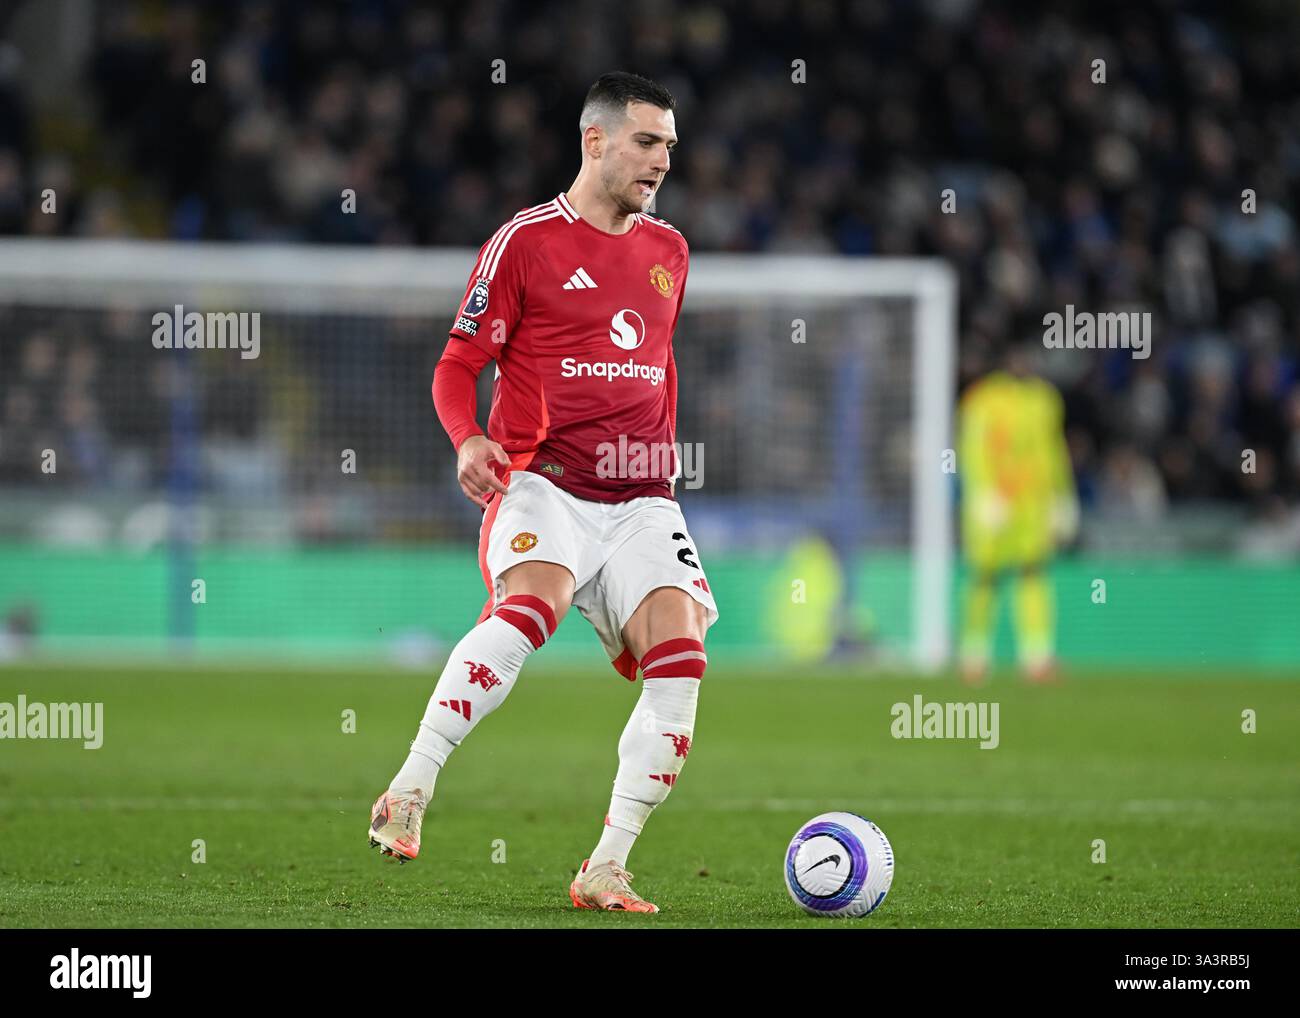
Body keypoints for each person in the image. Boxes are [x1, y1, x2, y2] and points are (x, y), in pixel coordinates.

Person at [368, 72, 717, 914]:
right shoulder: (525, 243)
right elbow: (458, 365)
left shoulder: (670, 253)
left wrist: (658, 479)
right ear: (594, 140)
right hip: (542, 486)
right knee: (534, 607)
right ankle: (410, 788)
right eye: (647, 140)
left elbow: (654, 369)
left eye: (669, 143)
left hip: (640, 499)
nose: (663, 159)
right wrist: (469, 441)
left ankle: (606, 866)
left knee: (683, 657)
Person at [957, 345, 1078, 684]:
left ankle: (1037, 658)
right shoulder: (982, 400)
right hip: (995, 501)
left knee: (1033, 574)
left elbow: (1052, 450)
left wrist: (1062, 496)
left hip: (1032, 504)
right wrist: (982, 493)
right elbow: (973, 448)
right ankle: (973, 656)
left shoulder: (1045, 399)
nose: (1023, 362)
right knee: (985, 576)